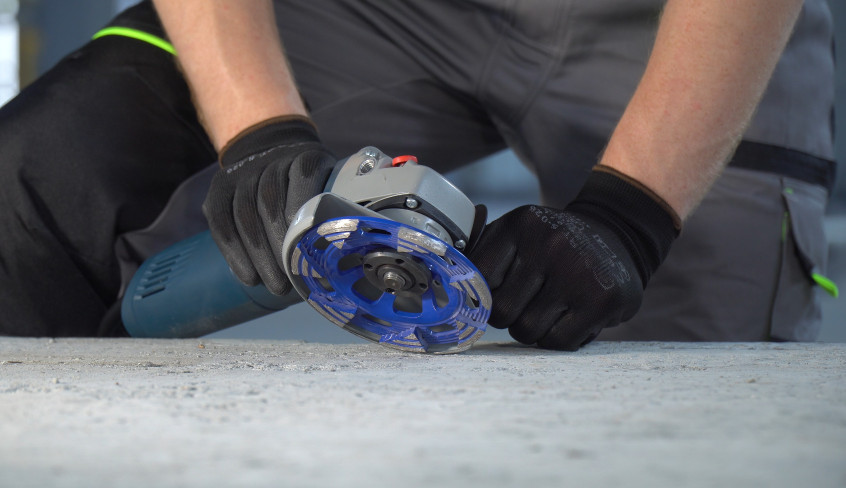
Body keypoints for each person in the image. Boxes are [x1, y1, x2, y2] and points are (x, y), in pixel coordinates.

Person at [0, 0, 835, 349]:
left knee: (706, 385)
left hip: (670, 23)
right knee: (46, 171)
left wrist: (635, 214)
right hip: (376, 12)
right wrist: (260, 131)